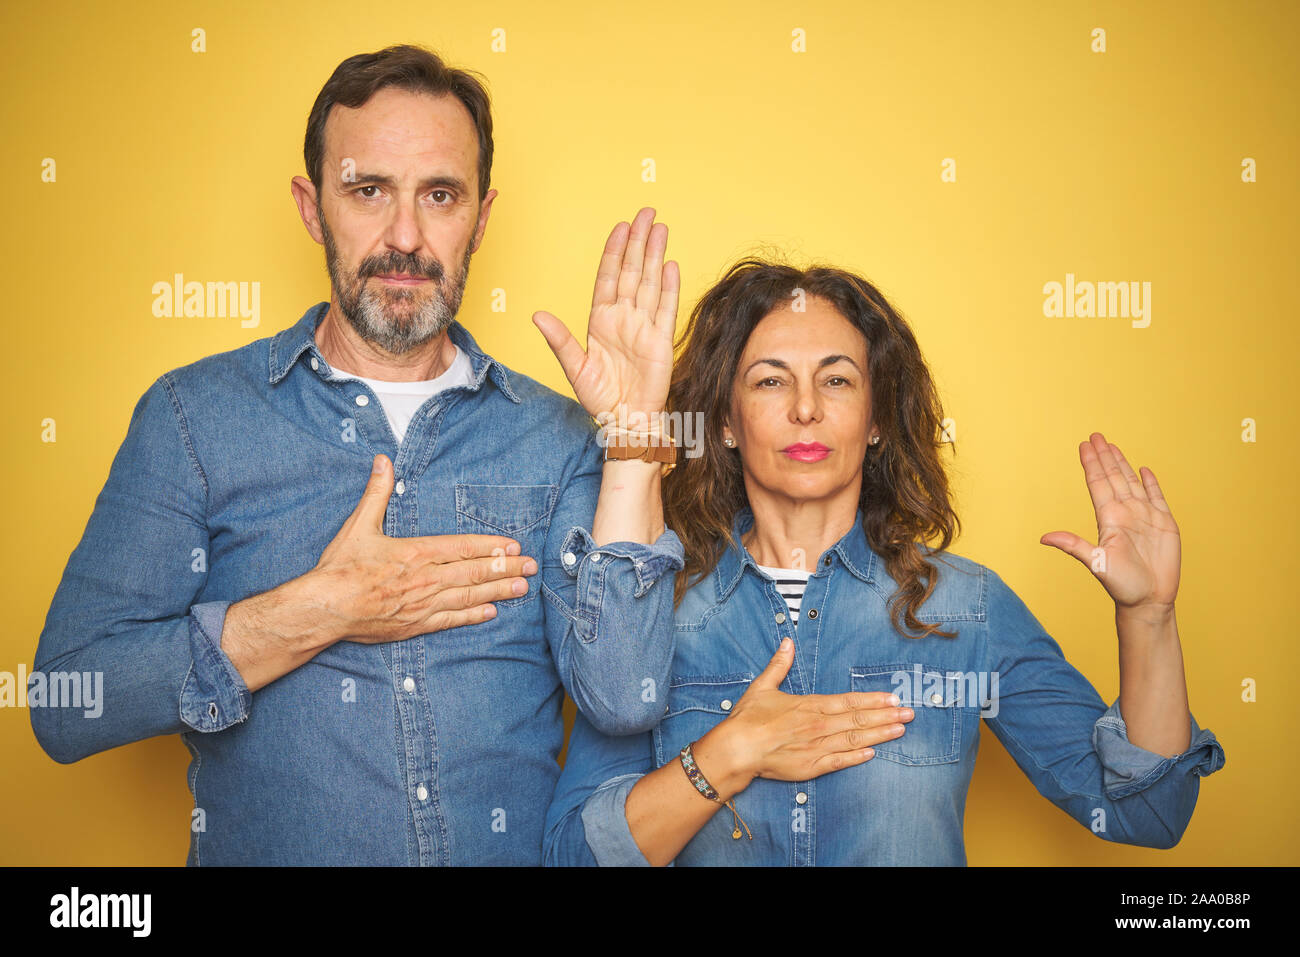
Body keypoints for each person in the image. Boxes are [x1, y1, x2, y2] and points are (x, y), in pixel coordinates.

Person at [30, 44, 686, 865]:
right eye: (367, 189)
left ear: (480, 217)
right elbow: (67, 704)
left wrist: (630, 440)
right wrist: (320, 608)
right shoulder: (192, 418)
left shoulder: (556, 438)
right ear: (312, 207)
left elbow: (629, 699)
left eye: (439, 195)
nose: (404, 235)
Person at [543, 258, 1226, 865]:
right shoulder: (654, 610)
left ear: (874, 419)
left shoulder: (965, 608)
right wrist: (726, 755)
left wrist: (1149, 617)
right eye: (770, 381)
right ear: (725, 421)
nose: (806, 409)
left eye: (836, 380)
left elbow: (1149, 814)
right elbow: (575, 852)